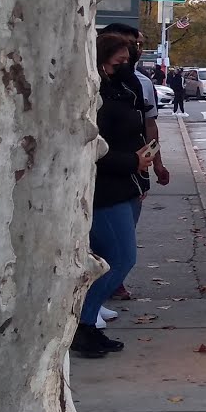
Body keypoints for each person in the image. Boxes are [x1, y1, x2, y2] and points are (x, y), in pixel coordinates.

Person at [74, 33, 153, 358]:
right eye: (118, 62)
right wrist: (133, 161)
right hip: (106, 189)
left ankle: (88, 323)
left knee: (111, 259)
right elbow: (92, 146)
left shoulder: (122, 89)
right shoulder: (94, 95)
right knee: (120, 259)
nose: (123, 67)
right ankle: (82, 323)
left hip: (125, 184)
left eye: (127, 62)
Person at [97, 24, 168, 302]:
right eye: (123, 56)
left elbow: (148, 126)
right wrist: (131, 162)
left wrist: (153, 165)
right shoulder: (100, 91)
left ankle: (104, 297)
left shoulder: (137, 84)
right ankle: (90, 311)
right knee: (119, 252)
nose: (134, 53)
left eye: (137, 47)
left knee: (122, 245)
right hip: (108, 182)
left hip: (132, 176)